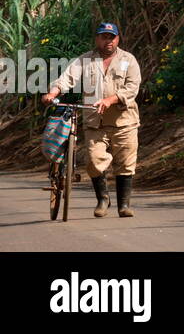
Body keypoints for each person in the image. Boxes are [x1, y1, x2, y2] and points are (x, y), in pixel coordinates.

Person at [40, 22, 142, 218]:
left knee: (126, 162)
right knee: (94, 161)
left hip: (124, 121)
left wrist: (111, 99)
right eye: (104, 37)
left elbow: (132, 87)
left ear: (118, 39)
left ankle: (123, 205)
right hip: (95, 121)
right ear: (97, 39)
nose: (108, 41)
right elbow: (67, 78)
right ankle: (103, 199)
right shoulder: (85, 60)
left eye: (111, 37)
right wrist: (53, 93)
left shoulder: (129, 60)